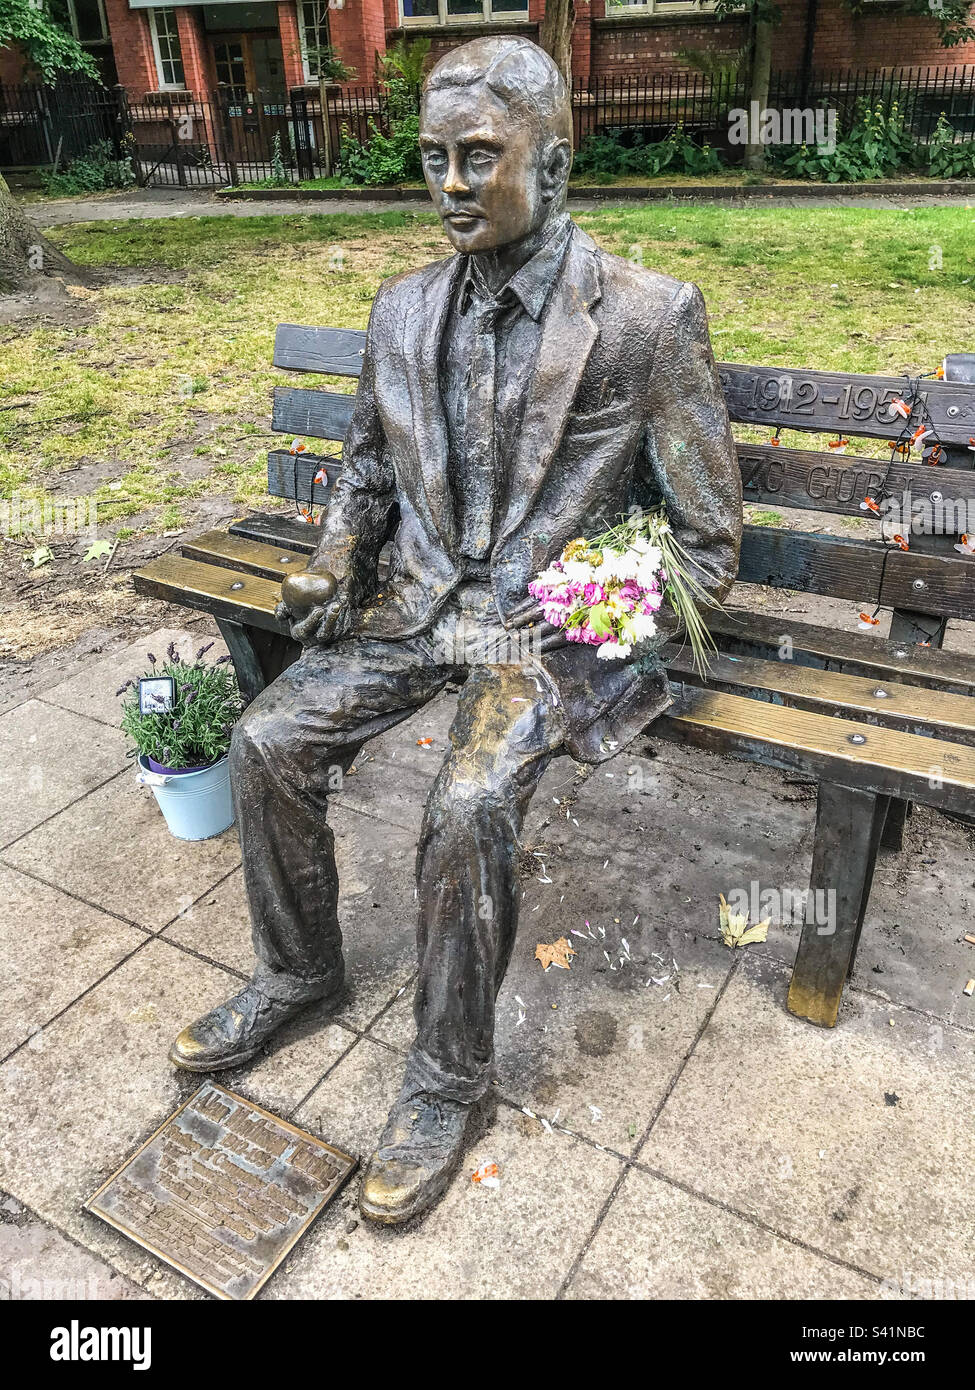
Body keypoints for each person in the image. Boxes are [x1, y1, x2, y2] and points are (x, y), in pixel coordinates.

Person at [169, 35, 742, 1225]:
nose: (449, 183)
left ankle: (446, 1078)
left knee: (470, 800)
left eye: (480, 157)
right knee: (268, 738)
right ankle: (298, 972)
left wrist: (590, 607)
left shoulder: (646, 319)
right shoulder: (402, 307)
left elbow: (707, 546)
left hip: (541, 630)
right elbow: (368, 476)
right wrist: (335, 560)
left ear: (559, 165)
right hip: (421, 606)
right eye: (434, 159)